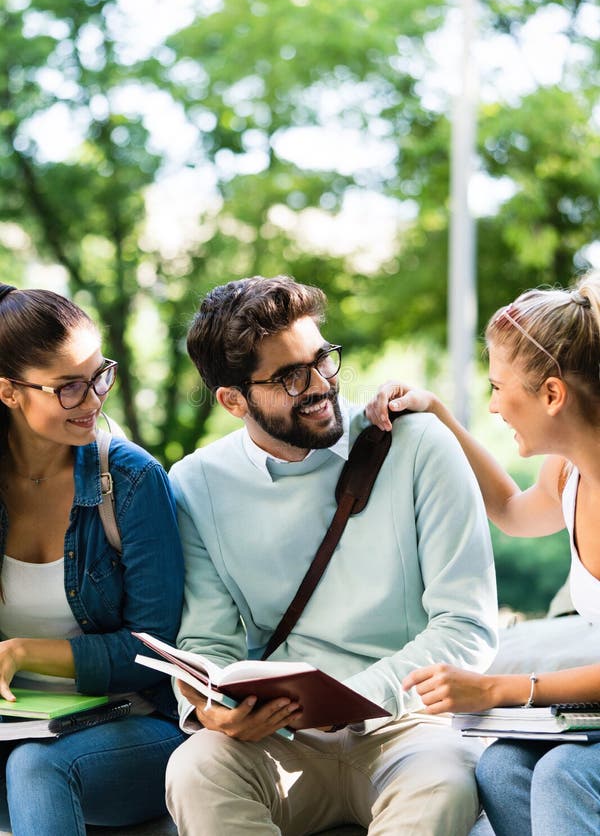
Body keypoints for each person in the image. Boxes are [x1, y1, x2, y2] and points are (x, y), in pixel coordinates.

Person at [164, 274, 497, 836]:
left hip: (412, 729)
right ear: (232, 399)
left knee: (443, 785)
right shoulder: (195, 484)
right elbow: (206, 643)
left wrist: (358, 697)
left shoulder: (418, 445)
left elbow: (466, 625)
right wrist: (206, 706)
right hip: (284, 739)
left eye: (323, 360)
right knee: (195, 768)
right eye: (291, 377)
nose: (321, 385)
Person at [365, 269, 600, 836]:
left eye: (497, 388)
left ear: (552, 395)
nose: (493, 406)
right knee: (502, 767)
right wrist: (438, 415)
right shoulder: (568, 473)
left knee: (563, 774)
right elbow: (512, 510)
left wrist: (501, 688)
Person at [0, 283, 186, 836]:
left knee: (35, 768)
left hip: (134, 724)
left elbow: (154, 651)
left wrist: (23, 652)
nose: (93, 401)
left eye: (99, 376)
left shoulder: (131, 480)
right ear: (8, 391)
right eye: (69, 387)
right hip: (14, 724)